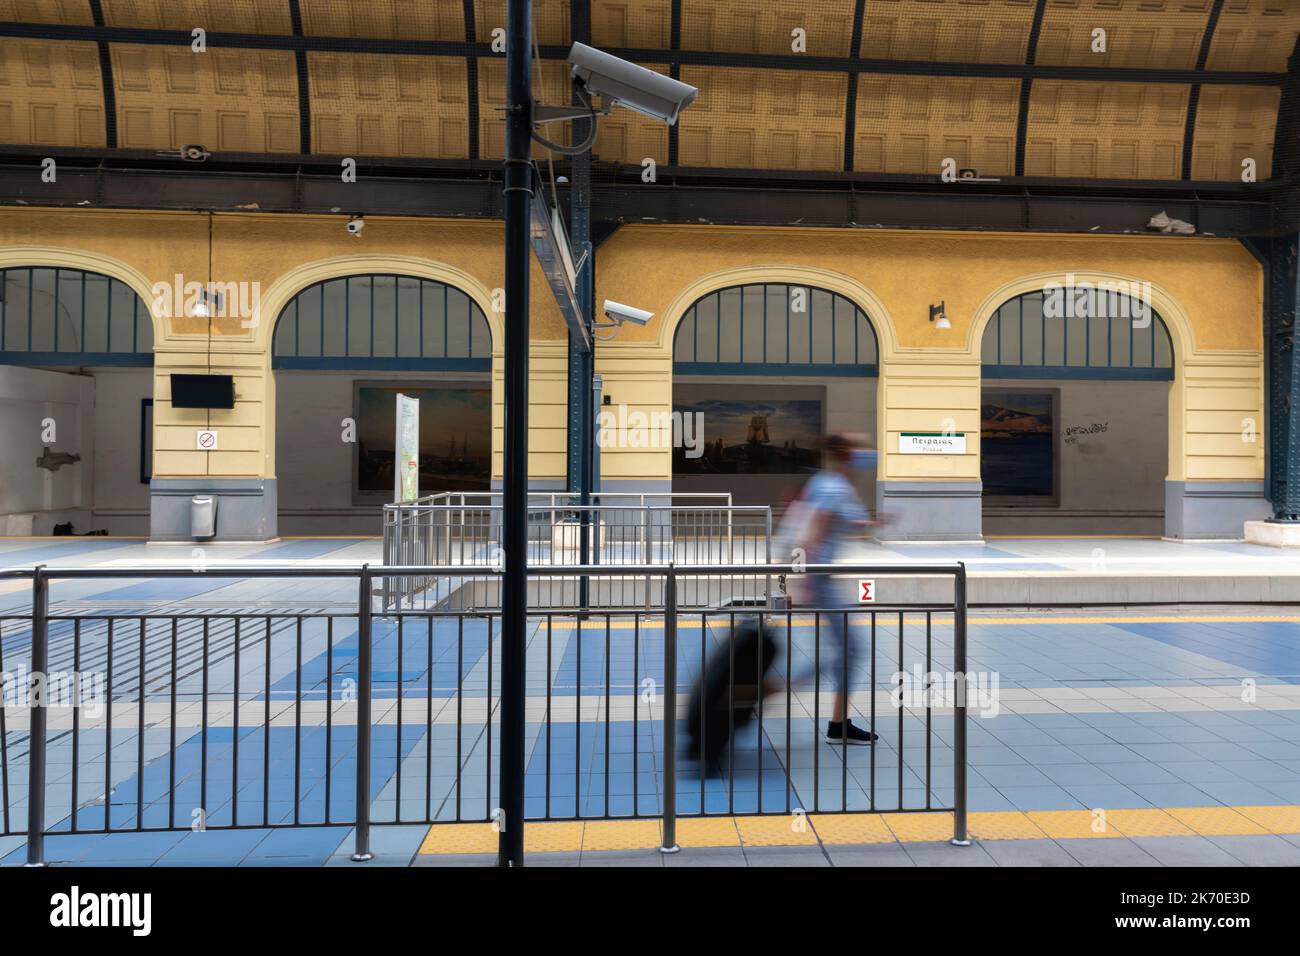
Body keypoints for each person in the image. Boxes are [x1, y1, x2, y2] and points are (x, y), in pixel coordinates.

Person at [784, 432, 879, 745]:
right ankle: (771, 689)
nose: (869, 452)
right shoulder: (833, 486)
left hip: (820, 577)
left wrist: (878, 522)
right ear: (849, 454)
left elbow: (851, 522)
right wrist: (804, 579)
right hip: (818, 578)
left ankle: (838, 721)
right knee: (850, 649)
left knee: (847, 649)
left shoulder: (832, 482)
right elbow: (815, 529)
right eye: (862, 447)